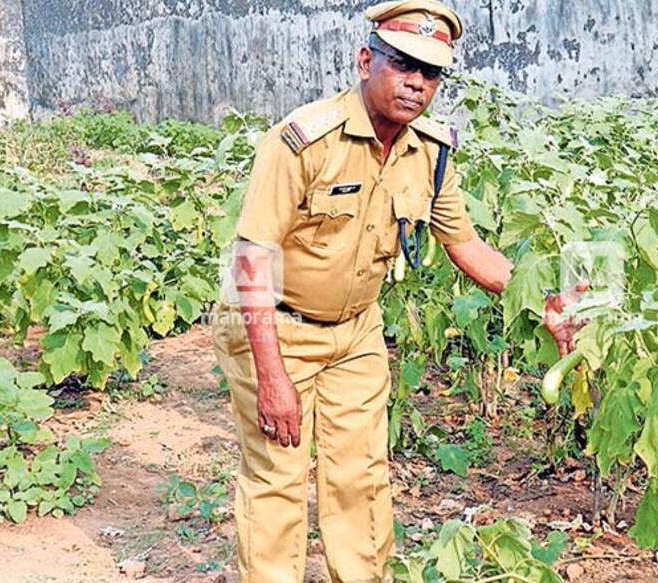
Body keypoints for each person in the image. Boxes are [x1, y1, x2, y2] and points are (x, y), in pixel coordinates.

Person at [212, 1, 582, 581]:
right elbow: (251, 259)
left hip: (356, 332)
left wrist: (545, 302)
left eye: (430, 72)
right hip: (275, 325)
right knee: (277, 477)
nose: (416, 82)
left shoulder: (430, 152)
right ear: (367, 61)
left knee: (359, 476)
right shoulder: (304, 141)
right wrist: (273, 377)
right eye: (403, 64)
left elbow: (466, 245)